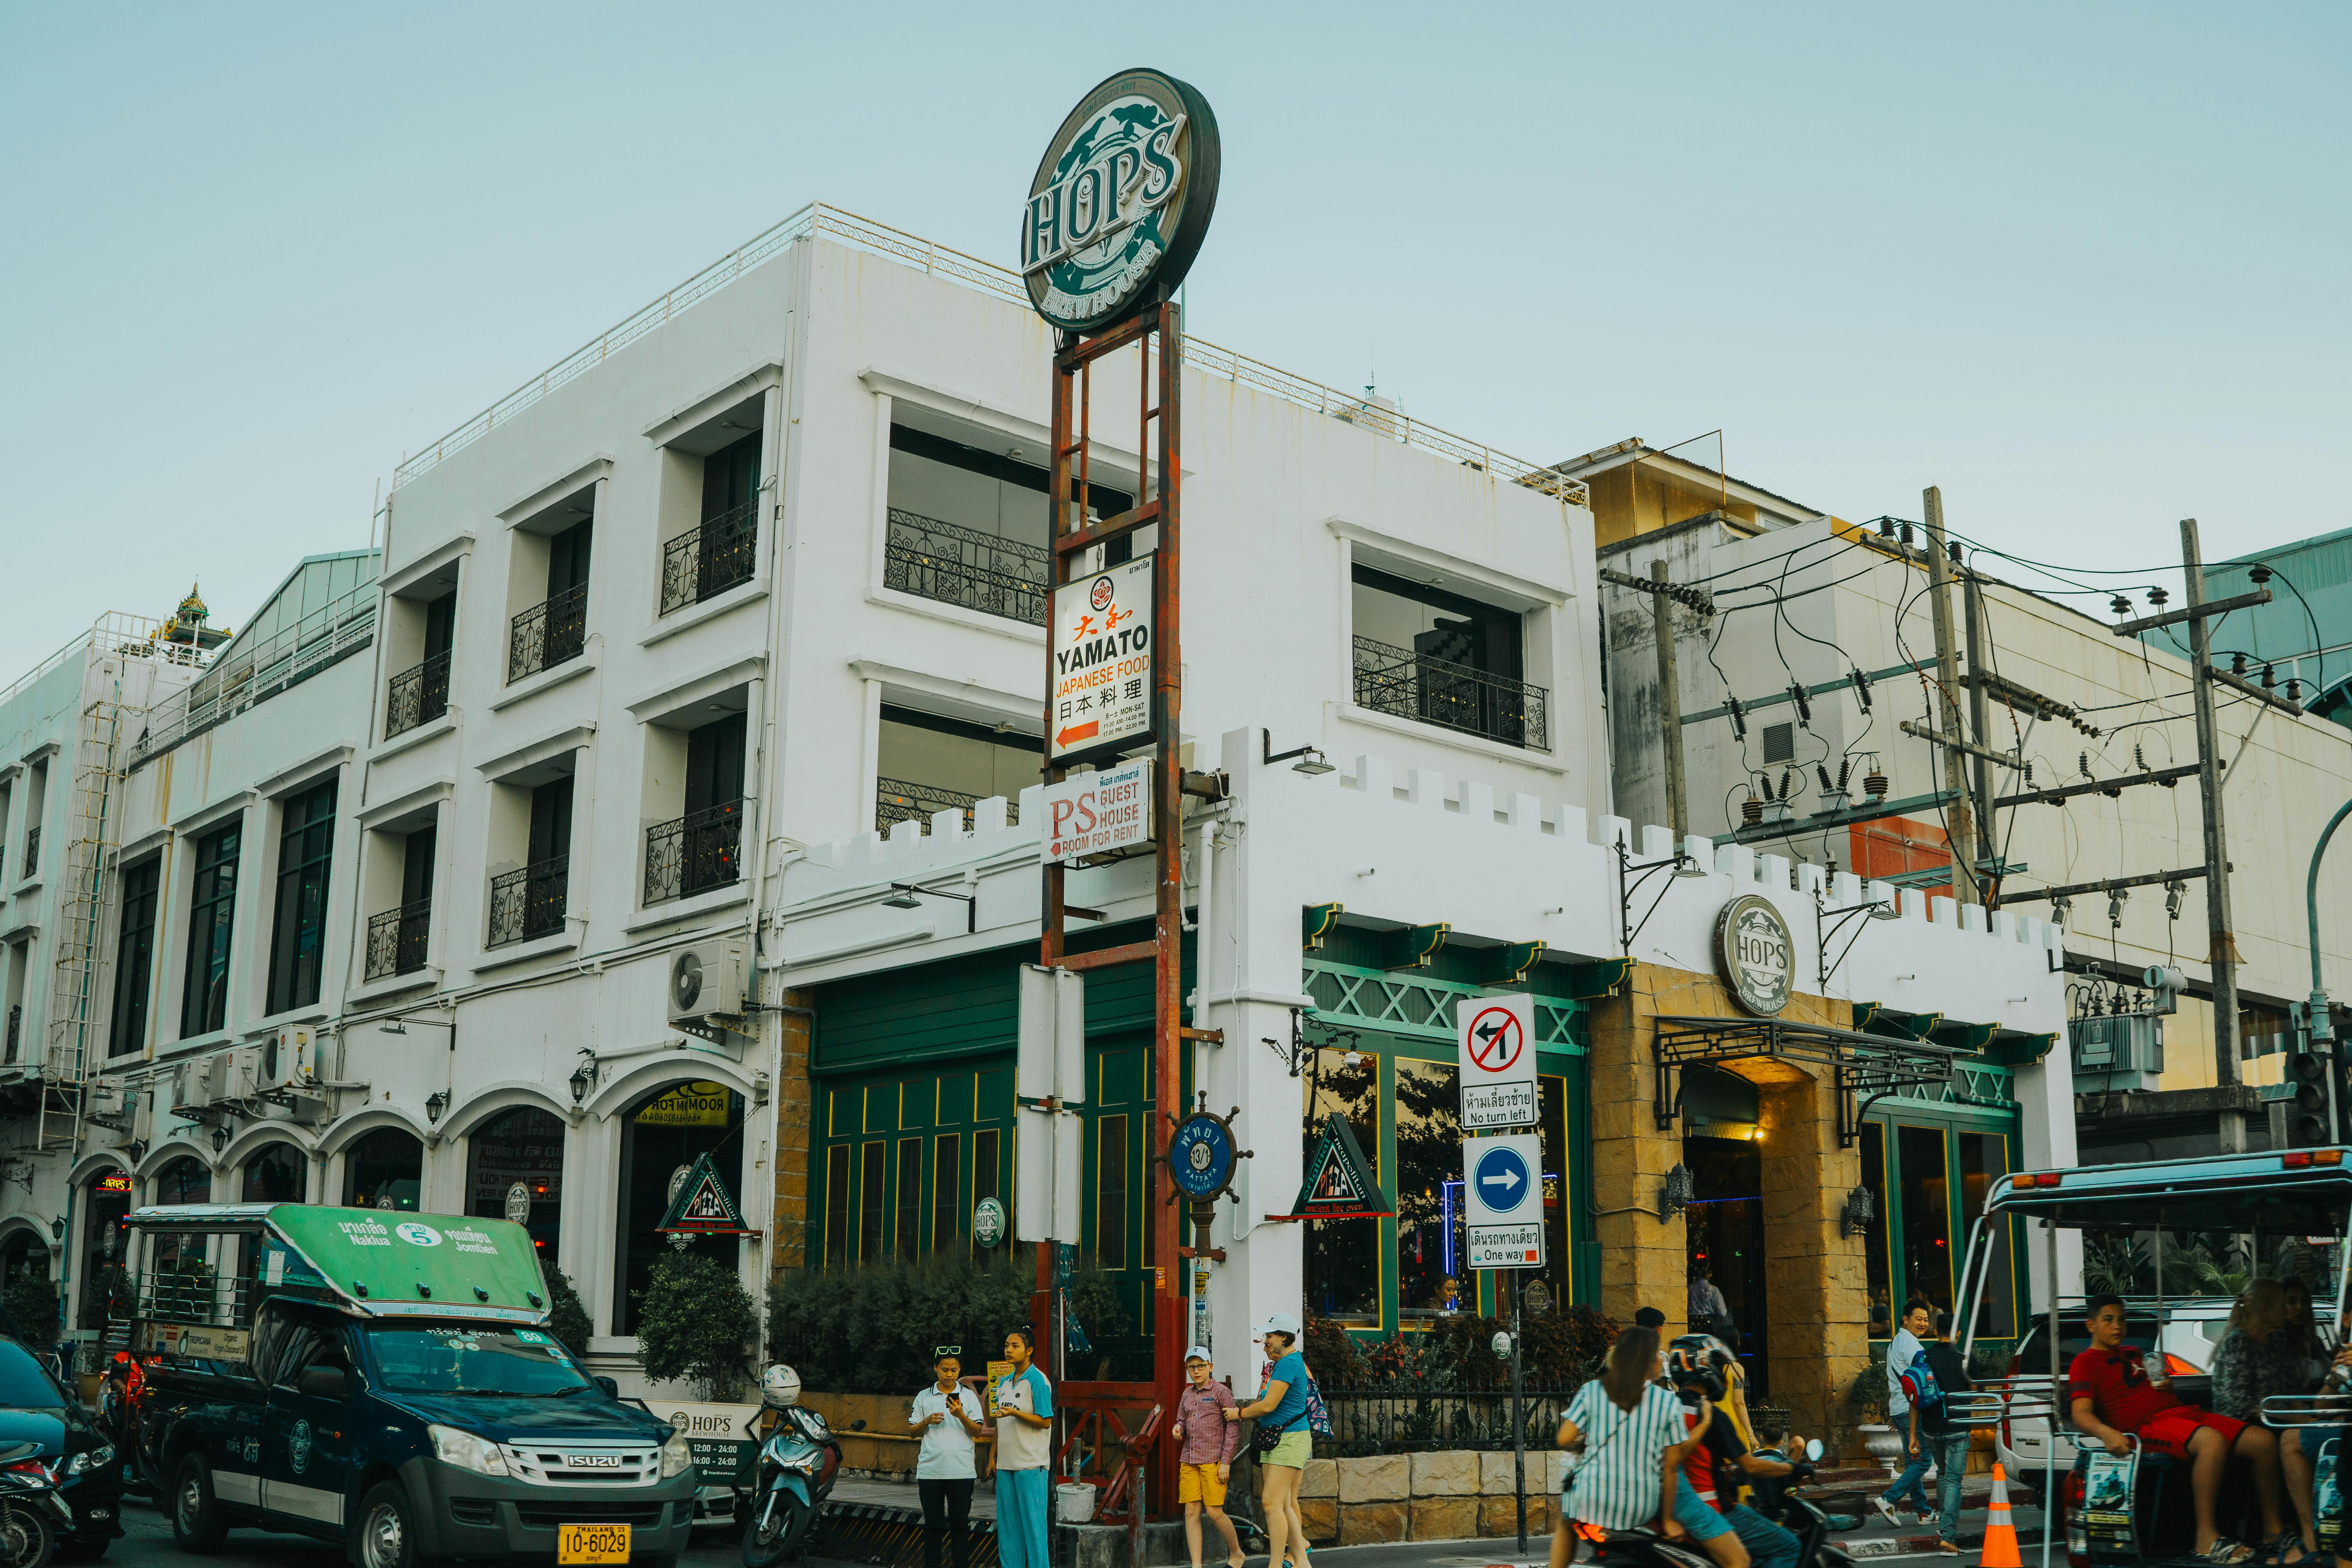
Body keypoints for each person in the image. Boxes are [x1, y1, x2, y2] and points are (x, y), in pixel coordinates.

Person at [2069, 1292, 2288, 1563]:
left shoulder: (2133, 1353)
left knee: (2264, 1442)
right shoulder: (2084, 1363)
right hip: (2144, 1428)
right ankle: (2206, 1539)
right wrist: (2106, 1433)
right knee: (2212, 1442)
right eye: (2109, 1320)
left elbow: (2151, 1386)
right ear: (2091, 1325)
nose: (2117, 1326)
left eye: (2122, 1320)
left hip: (2179, 1413)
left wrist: (2164, 1385)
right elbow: (2081, 1414)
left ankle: (2272, 1530)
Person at [1551, 1326, 1702, 1568]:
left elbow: (1563, 1440)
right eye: (1658, 1356)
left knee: (1565, 1523)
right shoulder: (1668, 1403)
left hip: (1588, 1500)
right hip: (1640, 1506)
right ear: (1649, 1361)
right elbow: (1671, 1468)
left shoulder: (1591, 1390)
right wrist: (1667, 1520)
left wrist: (1581, 1445)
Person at [1666, 1337, 1800, 1568]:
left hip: (1672, 1506)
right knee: (1788, 1545)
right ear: (1707, 1367)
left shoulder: (1666, 1408)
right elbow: (1751, 1465)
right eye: (1720, 1365)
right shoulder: (1711, 1415)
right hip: (1713, 1508)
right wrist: (1795, 1467)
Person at [1229, 1314, 1314, 1568]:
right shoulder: (1286, 1363)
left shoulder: (1288, 1364)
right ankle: (1302, 1561)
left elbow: (1268, 1406)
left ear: (1285, 1338)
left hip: (1287, 1440)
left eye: (1269, 1336)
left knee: (1271, 1503)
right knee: (1285, 1504)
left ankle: (1275, 1565)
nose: (1264, 1342)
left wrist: (1239, 1414)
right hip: (1280, 1440)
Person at [909, 1346, 991, 1568]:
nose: (950, 1374)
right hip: (930, 1472)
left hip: (962, 1472)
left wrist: (960, 1415)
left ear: (960, 1370)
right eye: (945, 1369)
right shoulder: (924, 1397)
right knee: (933, 1526)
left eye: (954, 1370)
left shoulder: (969, 1398)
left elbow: (977, 1432)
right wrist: (926, 1421)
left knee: (960, 1525)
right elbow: (912, 1432)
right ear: (936, 1368)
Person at [1906, 1312, 1975, 1554]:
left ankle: (1944, 1527)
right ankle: (1948, 1536)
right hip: (1957, 1429)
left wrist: (1913, 1435)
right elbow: (1975, 1393)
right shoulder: (1965, 1359)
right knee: (1954, 1481)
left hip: (1931, 1430)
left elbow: (1914, 1398)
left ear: (1936, 1332)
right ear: (1957, 1333)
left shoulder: (1923, 1357)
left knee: (1944, 1474)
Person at [1169, 1346, 1244, 1568]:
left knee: (1214, 1512)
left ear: (1210, 1366)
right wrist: (1178, 1428)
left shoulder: (1221, 1392)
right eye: (1191, 1367)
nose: (1196, 1371)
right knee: (1191, 1511)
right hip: (1189, 1459)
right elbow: (1181, 1419)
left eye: (1201, 1366)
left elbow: (1233, 1428)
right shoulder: (1187, 1393)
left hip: (1213, 1460)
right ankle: (1196, 1565)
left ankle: (1237, 1553)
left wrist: (1226, 1462)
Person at [993, 1328, 1055, 1568]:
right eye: (1007, 1345)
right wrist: (992, 1458)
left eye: (1015, 1346)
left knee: (1034, 1528)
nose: (1009, 1350)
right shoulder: (1004, 1383)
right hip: (1006, 1464)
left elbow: (1046, 1421)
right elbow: (1000, 1423)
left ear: (1029, 1351)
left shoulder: (1038, 1380)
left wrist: (1016, 1413)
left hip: (1031, 1464)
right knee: (1008, 1529)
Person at [1874, 1301, 1936, 1529]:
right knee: (1922, 1462)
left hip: (1900, 1408)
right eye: (1918, 1319)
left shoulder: (1896, 1341)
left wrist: (1898, 1412)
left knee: (1913, 1462)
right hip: (1912, 1411)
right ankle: (1889, 1499)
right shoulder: (1912, 1346)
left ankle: (1923, 1512)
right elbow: (1921, 1381)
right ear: (1906, 1319)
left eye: (1926, 1320)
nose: (1923, 1324)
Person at [1690, 1263, 1733, 1339]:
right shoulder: (1713, 1290)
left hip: (1691, 1324)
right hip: (1708, 1324)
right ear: (1709, 1274)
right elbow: (1722, 1312)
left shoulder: (1689, 1288)